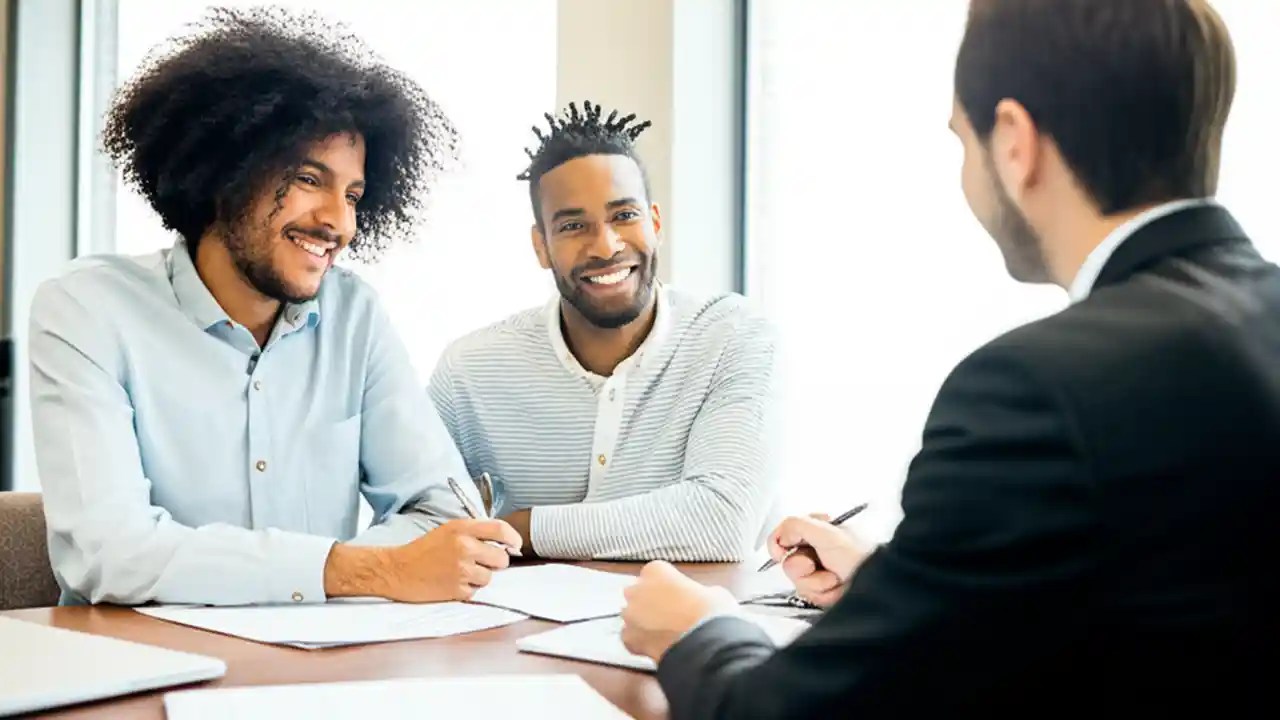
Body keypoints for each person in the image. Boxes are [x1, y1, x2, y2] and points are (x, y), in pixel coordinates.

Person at [618, 0, 1277, 715]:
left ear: (1016, 143)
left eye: (964, 141)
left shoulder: (1033, 388)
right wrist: (898, 582)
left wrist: (699, 632)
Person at [29, 7, 520, 607]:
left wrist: (381, 567)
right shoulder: (86, 310)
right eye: (309, 180)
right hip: (146, 672)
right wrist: (368, 571)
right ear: (224, 170)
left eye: (354, 195)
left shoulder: (355, 317)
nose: (340, 223)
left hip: (319, 663)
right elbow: (111, 553)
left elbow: (439, 509)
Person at [427, 102, 779, 561]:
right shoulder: (467, 373)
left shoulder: (732, 337)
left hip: (695, 629)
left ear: (654, 223)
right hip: (518, 631)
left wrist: (524, 528)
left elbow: (722, 520)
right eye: (573, 226)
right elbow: (424, 523)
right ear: (541, 247)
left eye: (624, 216)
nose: (606, 246)